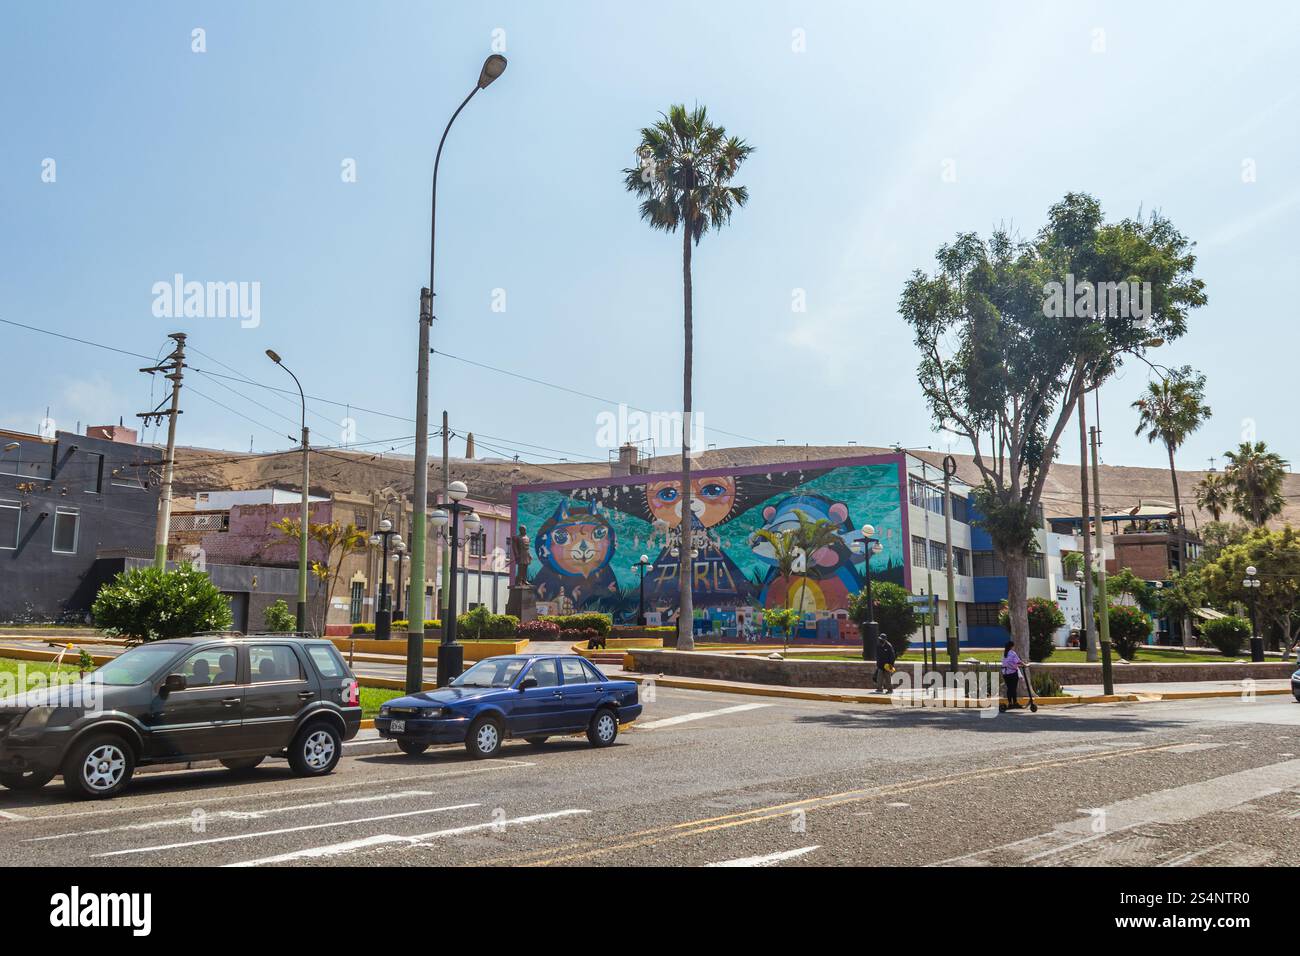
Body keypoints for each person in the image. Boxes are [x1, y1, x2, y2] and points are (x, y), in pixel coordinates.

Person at [1002, 641, 1024, 709]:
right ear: (1012, 646)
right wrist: (1024, 664)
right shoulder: (1012, 653)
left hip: (1005, 673)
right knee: (1013, 689)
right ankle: (1015, 703)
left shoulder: (1004, 653)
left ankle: (1010, 703)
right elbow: (1018, 661)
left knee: (1009, 689)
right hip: (1012, 673)